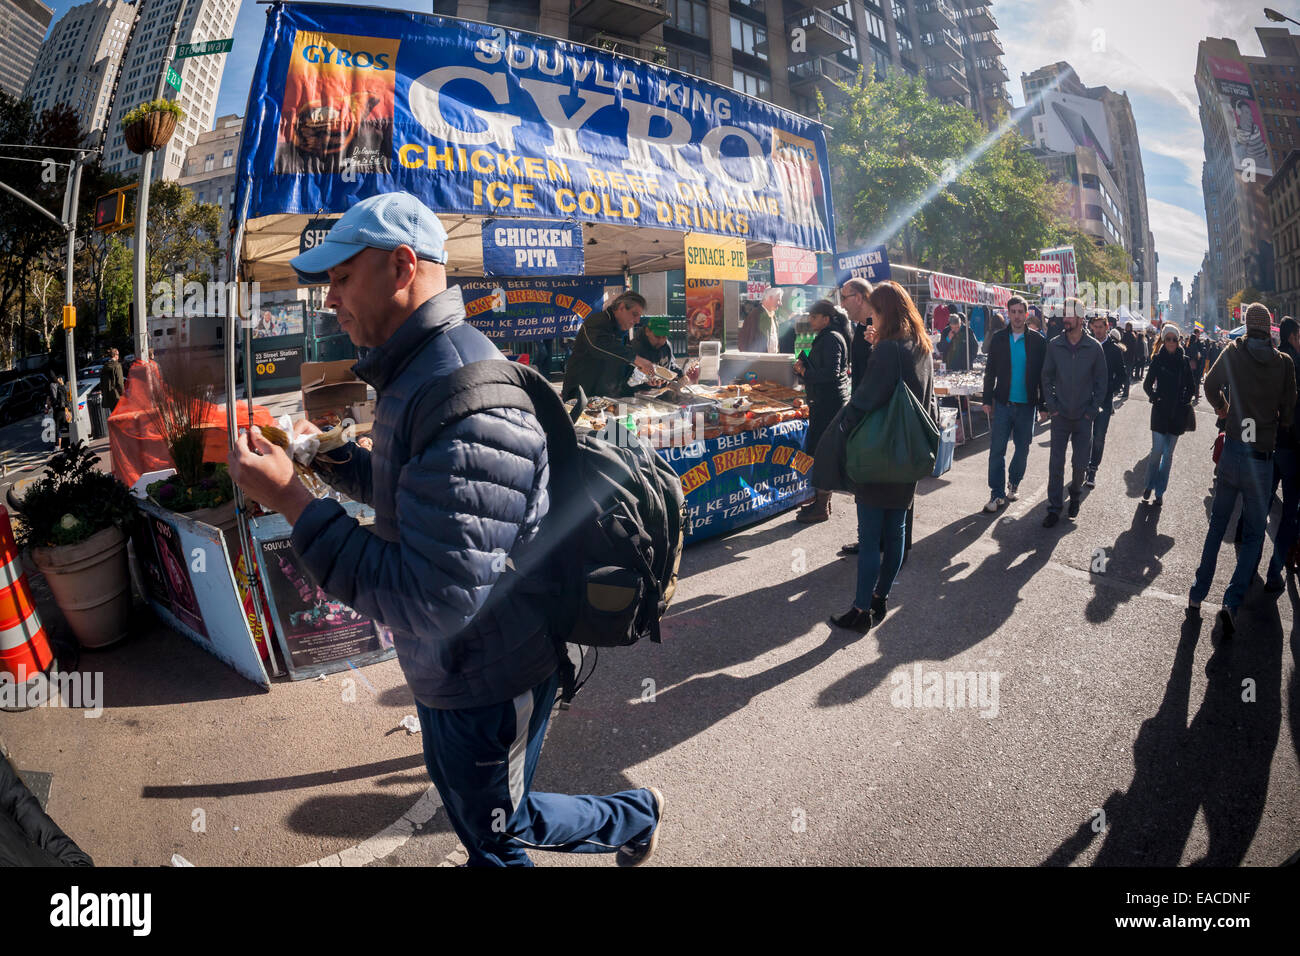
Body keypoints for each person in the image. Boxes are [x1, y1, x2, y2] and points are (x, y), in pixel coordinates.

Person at [226, 192, 663, 867]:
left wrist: (294, 502)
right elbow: (417, 499)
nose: (329, 299)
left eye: (342, 278)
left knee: (495, 833)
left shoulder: (456, 390)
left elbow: (434, 596)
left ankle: (631, 815)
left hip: (489, 670)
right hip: (454, 664)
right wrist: (327, 458)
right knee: (485, 813)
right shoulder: (417, 371)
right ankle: (629, 816)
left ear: (402, 266)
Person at [813, 280, 938, 633]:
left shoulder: (889, 350)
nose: (872, 320)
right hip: (909, 451)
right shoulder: (920, 346)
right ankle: (880, 598)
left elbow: (867, 397)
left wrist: (841, 428)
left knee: (870, 537)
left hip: (879, 451)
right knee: (895, 530)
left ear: (885, 313)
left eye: (875, 314)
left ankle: (860, 609)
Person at [1188, 303, 1297, 636]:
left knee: (1218, 523)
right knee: (1252, 534)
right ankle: (1232, 601)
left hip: (1234, 449)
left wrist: (1224, 409)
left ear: (1248, 327)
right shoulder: (1284, 363)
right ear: (1271, 330)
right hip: (1261, 457)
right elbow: (1290, 412)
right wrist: (1277, 419)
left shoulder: (1233, 352)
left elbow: (1209, 385)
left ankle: (1197, 593)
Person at [1040, 297, 1107, 527]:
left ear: (1080, 318)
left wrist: (1091, 411)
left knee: (1080, 465)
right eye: (1064, 315)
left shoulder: (1094, 348)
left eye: (1069, 315)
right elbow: (1046, 377)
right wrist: (1052, 406)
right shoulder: (1055, 345)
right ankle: (1054, 508)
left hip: (1083, 418)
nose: (1064, 319)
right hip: (1060, 416)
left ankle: (1075, 494)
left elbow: (1101, 382)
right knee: (1055, 464)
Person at [981, 295, 1046, 512]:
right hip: (1002, 403)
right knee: (996, 450)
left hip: (1027, 405)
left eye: (1020, 312)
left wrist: (1044, 405)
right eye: (1013, 312)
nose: (1017, 316)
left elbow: (1044, 376)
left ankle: (1014, 482)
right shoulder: (999, 338)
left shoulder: (1038, 341)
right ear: (1008, 313)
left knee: (1022, 449)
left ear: (1027, 314)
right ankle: (996, 493)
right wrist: (986, 399)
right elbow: (990, 371)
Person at [794, 299, 850, 524]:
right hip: (823, 402)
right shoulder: (827, 337)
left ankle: (821, 506)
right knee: (821, 452)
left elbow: (832, 374)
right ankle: (821, 502)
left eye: (814, 317)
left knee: (824, 454)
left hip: (829, 405)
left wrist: (805, 372)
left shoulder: (832, 338)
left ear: (826, 319)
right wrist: (803, 370)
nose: (811, 320)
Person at [837, 277, 875, 554]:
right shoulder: (858, 326)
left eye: (845, 297)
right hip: (862, 410)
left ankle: (884, 543)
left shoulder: (881, 326)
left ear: (860, 297)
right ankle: (869, 538)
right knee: (866, 481)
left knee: (878, 482)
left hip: (878, 414)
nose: (842, 304)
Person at [560, 291, 654, 401]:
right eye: (634, 314)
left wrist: (645, 379)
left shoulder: (622, 330)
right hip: (582, 393)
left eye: (639, 316)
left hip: (608, 395)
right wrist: (636, 359)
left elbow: (624, 363)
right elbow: (601, 347)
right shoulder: (597, 322)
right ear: (621, 307)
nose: (637, 321)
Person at [1141, 324, 1195, 506]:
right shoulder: (1157, 359)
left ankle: (1160, 491)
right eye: (1168, 338)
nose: (1172, 342)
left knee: (1168, 455)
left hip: (1177, 415)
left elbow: (1192, 387)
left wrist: (1183, 401)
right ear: (1163, 340)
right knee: (1156, 451)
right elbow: (1147, 385)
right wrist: (1156, 399)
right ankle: (1149, 485)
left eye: (1175, 339)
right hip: (1159, 413)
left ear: (1179, 340)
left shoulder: (1184, 361)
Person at [1265, 316, 1300, 590]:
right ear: (1292, 337)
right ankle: (1277, 567)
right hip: (1291, 444)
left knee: (1264, 499)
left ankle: (1250, 555)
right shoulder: (1294, 363)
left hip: (1273, 440)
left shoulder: (1275, 360)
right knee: (1290, 511)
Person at [1082, 321, 1127, 488]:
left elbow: (1122, 375)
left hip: (1104, 401)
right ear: (1092, 328)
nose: (1098, 330)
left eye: (1101, 327)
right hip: (1085, 399)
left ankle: (1093, 469)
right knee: (1084, 435)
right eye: (1096, 327)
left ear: (1106, 328)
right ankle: (1083, 466)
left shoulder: (1114, 349)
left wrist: (1110, 391)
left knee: (1099, 436)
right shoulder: (1087, 345)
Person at [623, 315, 681, 396]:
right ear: (647, 331)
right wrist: (645, 383)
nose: (661, 341)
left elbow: (671, 365)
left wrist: (681, 375)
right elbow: (625, 380)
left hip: (660, 394)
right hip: (635, 397)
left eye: (664, 337)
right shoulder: (634, 348)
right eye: (657, 336)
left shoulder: (666, 345)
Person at [738, 287, 784, 353]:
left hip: (772, 360)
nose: (780, 304)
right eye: (778, 300)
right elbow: (743, 342)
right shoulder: (755, 315)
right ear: (770, 298)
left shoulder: (773, 316)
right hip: (760, 361)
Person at [98, 348, 125, 413]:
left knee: (114, 416)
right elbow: (120, 382)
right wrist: (123, 394)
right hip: (117, 396)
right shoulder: (117, 366)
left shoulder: (104, 367)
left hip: (108, 397)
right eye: (118, 354)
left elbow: (101, 383)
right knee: (121, 417)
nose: (118, 356)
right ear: (115, 355)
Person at [1120, 322, 1140, 398]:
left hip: (1127, 357)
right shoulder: (1132, 335)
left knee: (1126, 375)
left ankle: (1125, 391)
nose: (1126, 327)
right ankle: (1125, 390)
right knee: (1126, 375)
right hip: (1128, 358)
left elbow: (1123, 345)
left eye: (1127, 326)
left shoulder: (1129, 335)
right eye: (1126, 326)